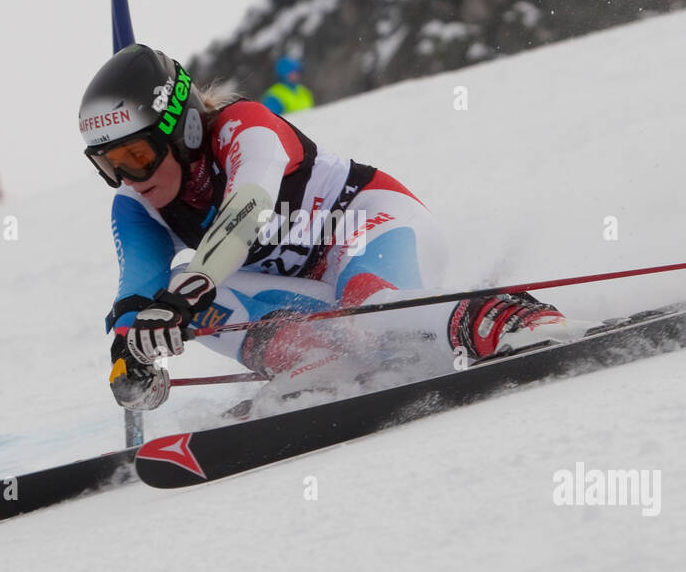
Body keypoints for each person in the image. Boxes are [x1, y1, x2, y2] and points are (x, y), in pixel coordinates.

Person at [78, 44, 567, 411]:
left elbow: (248, 209)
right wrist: (134, 357)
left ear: (182, 130)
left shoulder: (243, 127)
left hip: (373, 226)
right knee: (169, 289)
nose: (126, 179)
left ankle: (504, 318)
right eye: (107, 165)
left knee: (360, 299)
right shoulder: (135, 204)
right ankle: (315, 362)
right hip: (308, 286)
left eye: (136, 157)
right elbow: (138, 296)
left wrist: (186, 297)